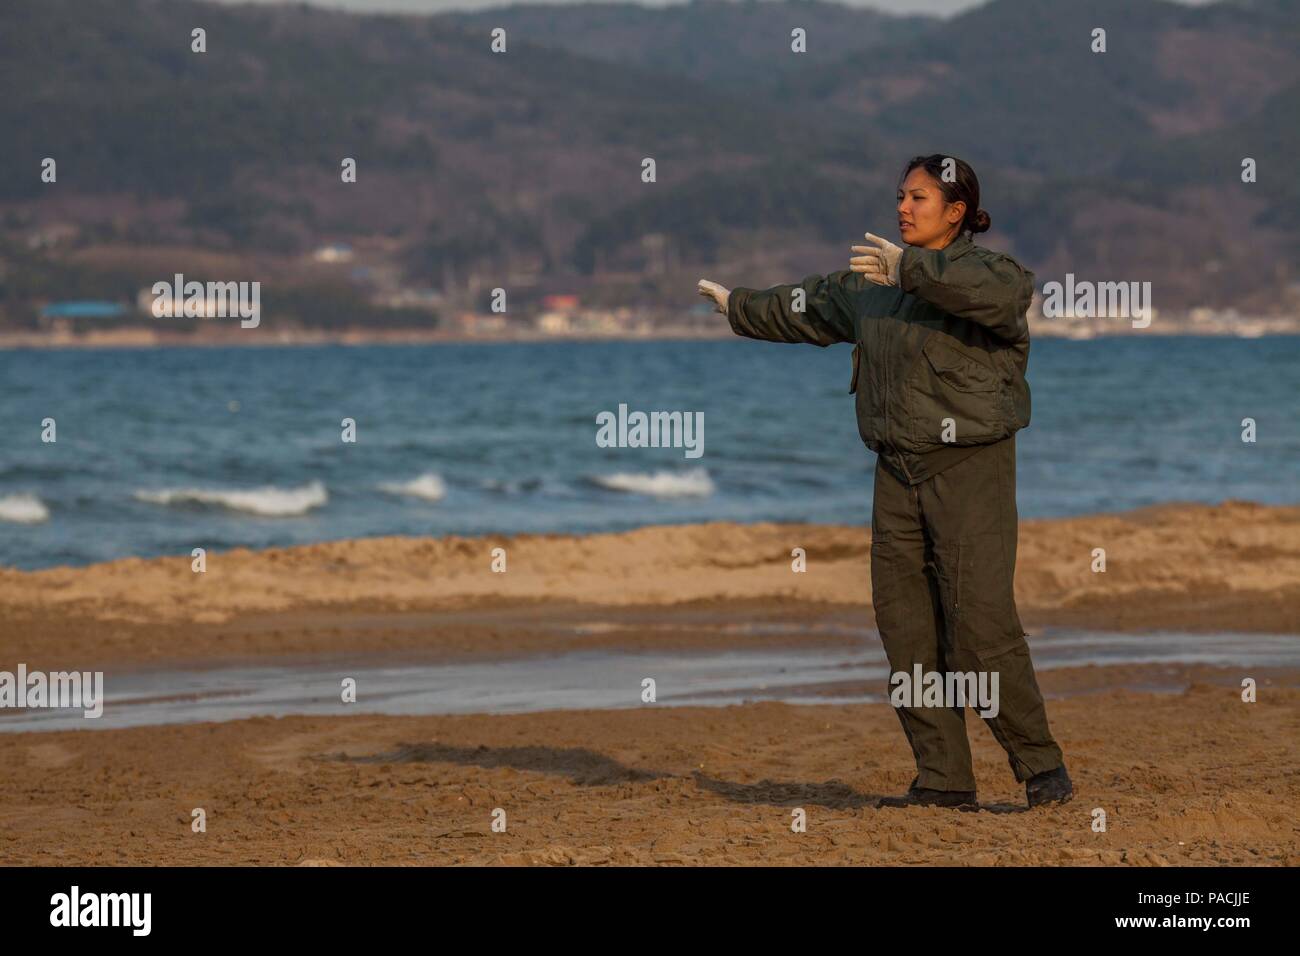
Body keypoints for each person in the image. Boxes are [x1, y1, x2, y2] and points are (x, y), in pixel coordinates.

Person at [697, 154, 1072, 811]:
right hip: (895, 471)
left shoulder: (987, 273)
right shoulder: (873, 284)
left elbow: (1006, 299)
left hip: (968, 468)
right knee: (907, 632)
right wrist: (737, 306)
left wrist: (913, 269)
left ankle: (1042, 770)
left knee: (977, 628)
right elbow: (804, 306)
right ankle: (944, 780)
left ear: (956, 212)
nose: (903, 207)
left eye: (920, 198)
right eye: (901, 196)